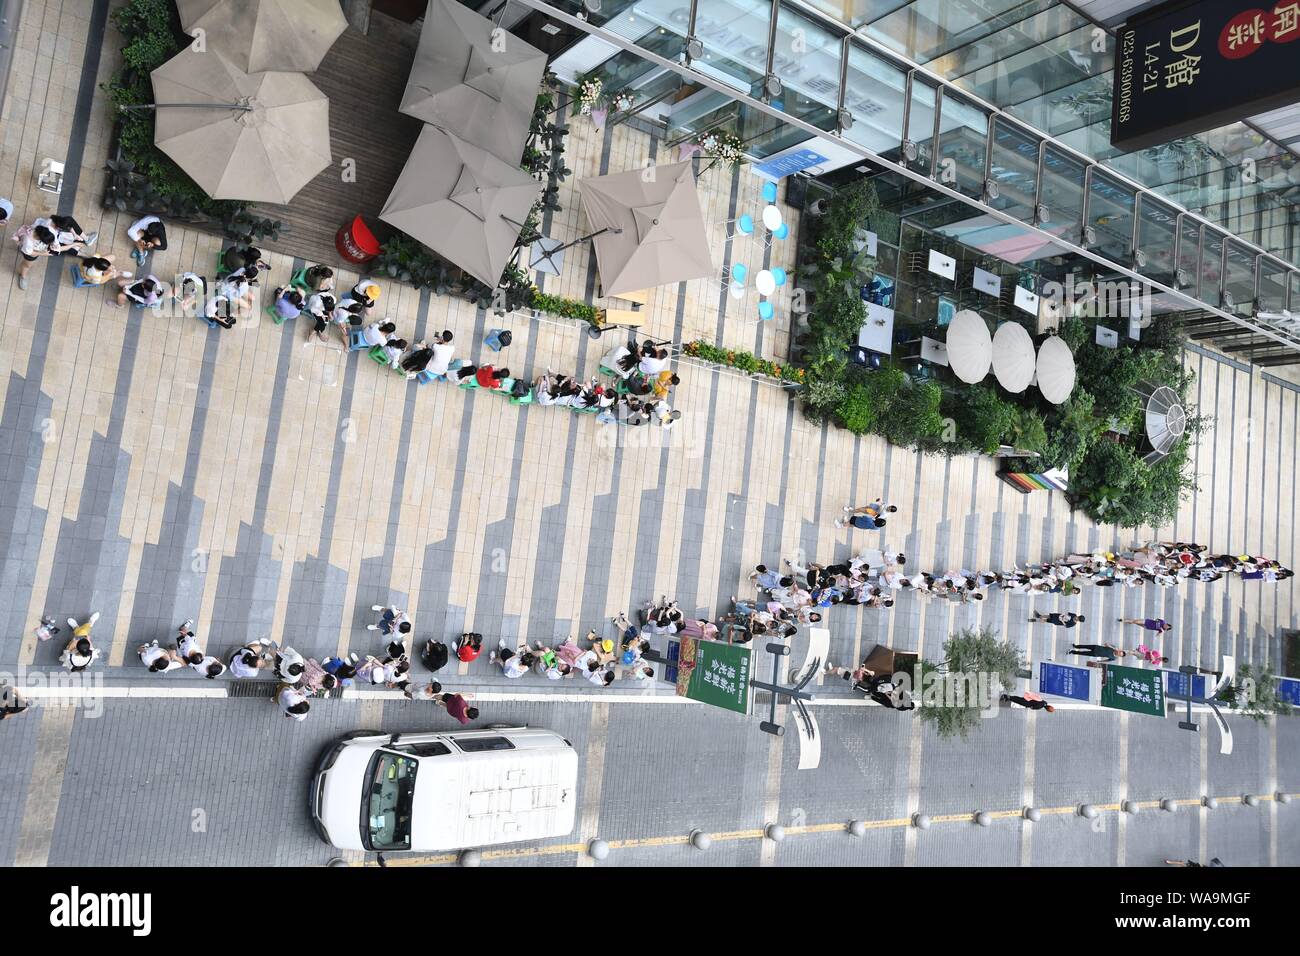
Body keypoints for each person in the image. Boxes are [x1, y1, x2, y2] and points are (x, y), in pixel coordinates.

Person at [14, 219, 56, 289]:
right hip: (30, 253)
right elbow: (29, 252)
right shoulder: (29, 242)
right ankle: (22, 276)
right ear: (39, 238)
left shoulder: (42, 229)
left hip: (33, 248)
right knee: (27, 265)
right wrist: (44, 254)